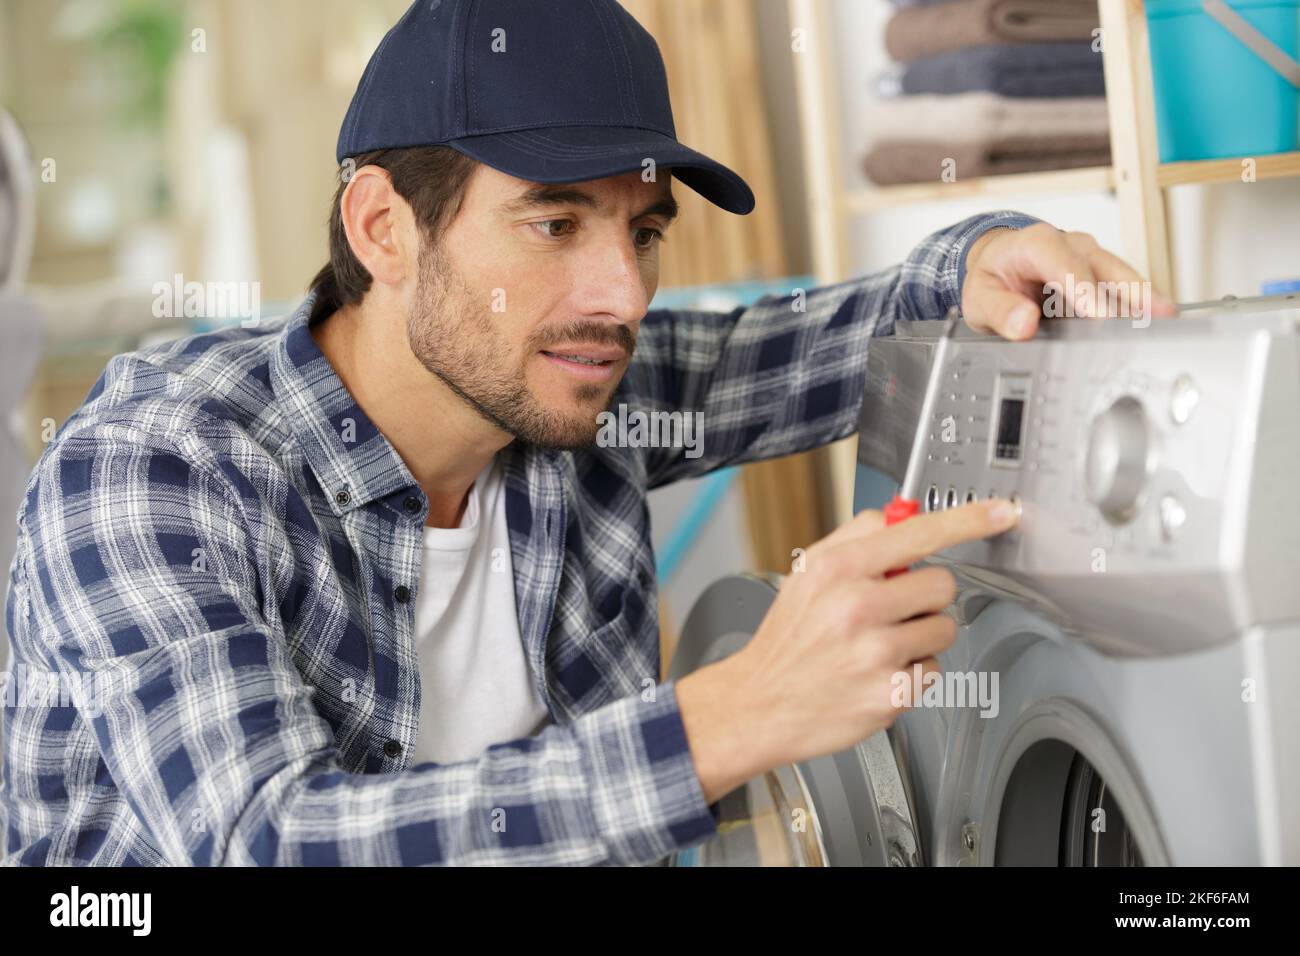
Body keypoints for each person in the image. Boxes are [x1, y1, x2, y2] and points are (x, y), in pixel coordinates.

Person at [0, 0, 1173, 866]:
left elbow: (829, 339)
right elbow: (266, 841)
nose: (622, 292)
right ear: (383, 228)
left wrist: (981, 254)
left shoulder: (565, 382)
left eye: (643, 228)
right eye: (553, 223)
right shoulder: (157, 468)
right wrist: (738, 710)